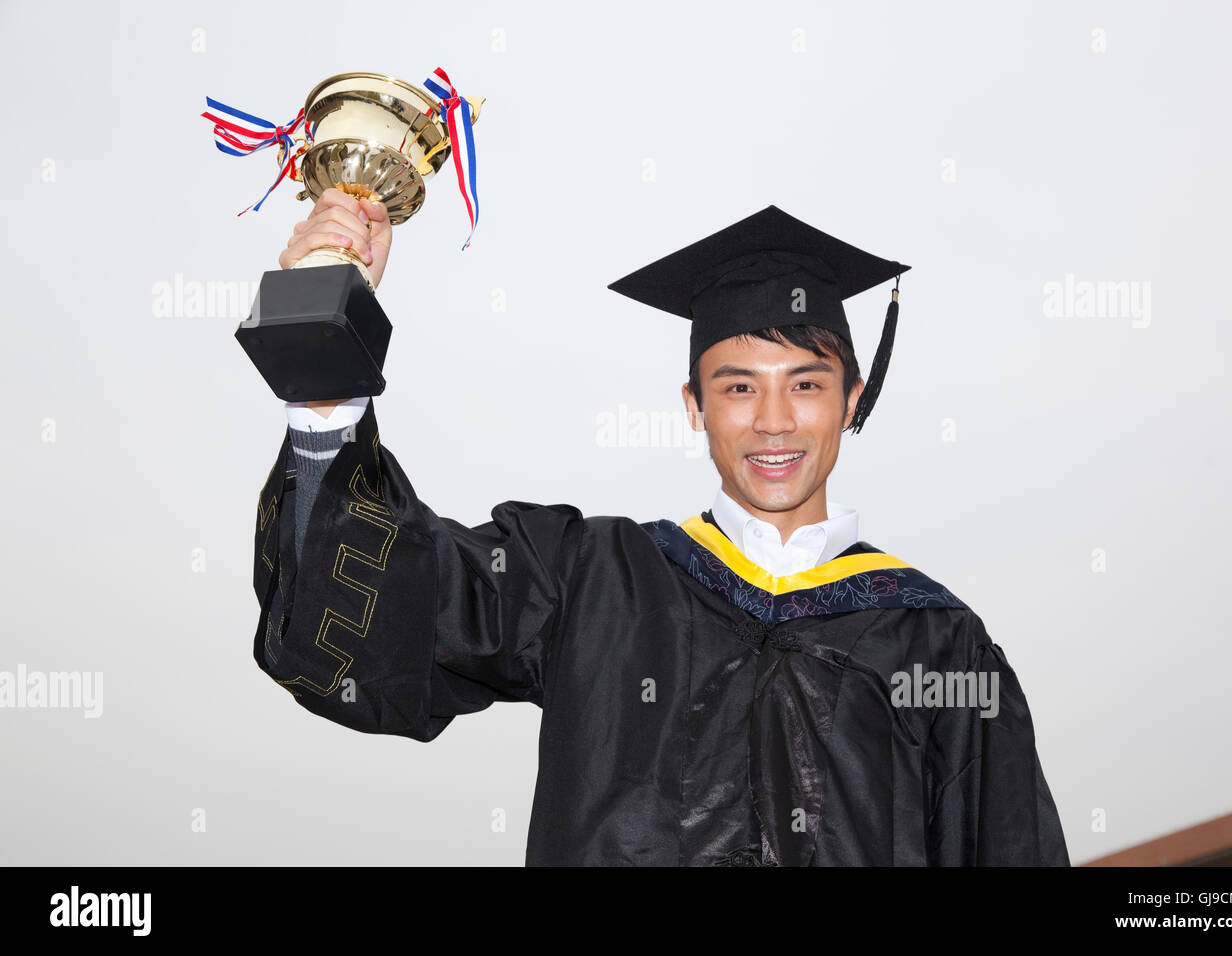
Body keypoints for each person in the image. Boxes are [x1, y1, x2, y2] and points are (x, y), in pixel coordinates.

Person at [251, 188, 1070, 866]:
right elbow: (383, 612)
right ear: (695, 406)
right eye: (739, 388)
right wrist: (324, 338)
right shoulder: (592, 580)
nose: (775, 424)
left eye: (808, 386)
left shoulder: (940, 646)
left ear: (852, 400)